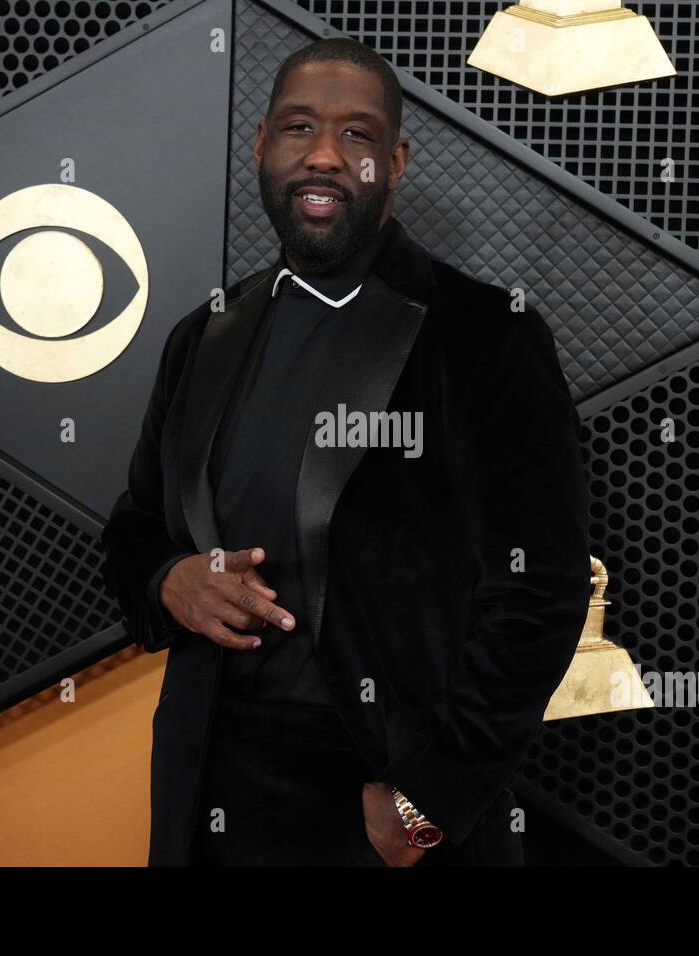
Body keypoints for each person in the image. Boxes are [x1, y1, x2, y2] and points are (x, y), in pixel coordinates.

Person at [101, 36, 592, 866]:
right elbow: (135, 526)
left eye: (357, 136)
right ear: (261, 146)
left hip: (384, 803)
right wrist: (170, 580)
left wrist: (428, 798)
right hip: (211, 786)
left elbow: (541, 589)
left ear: (394, 161)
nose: (325, 155)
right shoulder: (203, 335)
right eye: (298, 128)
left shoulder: (483, 334)